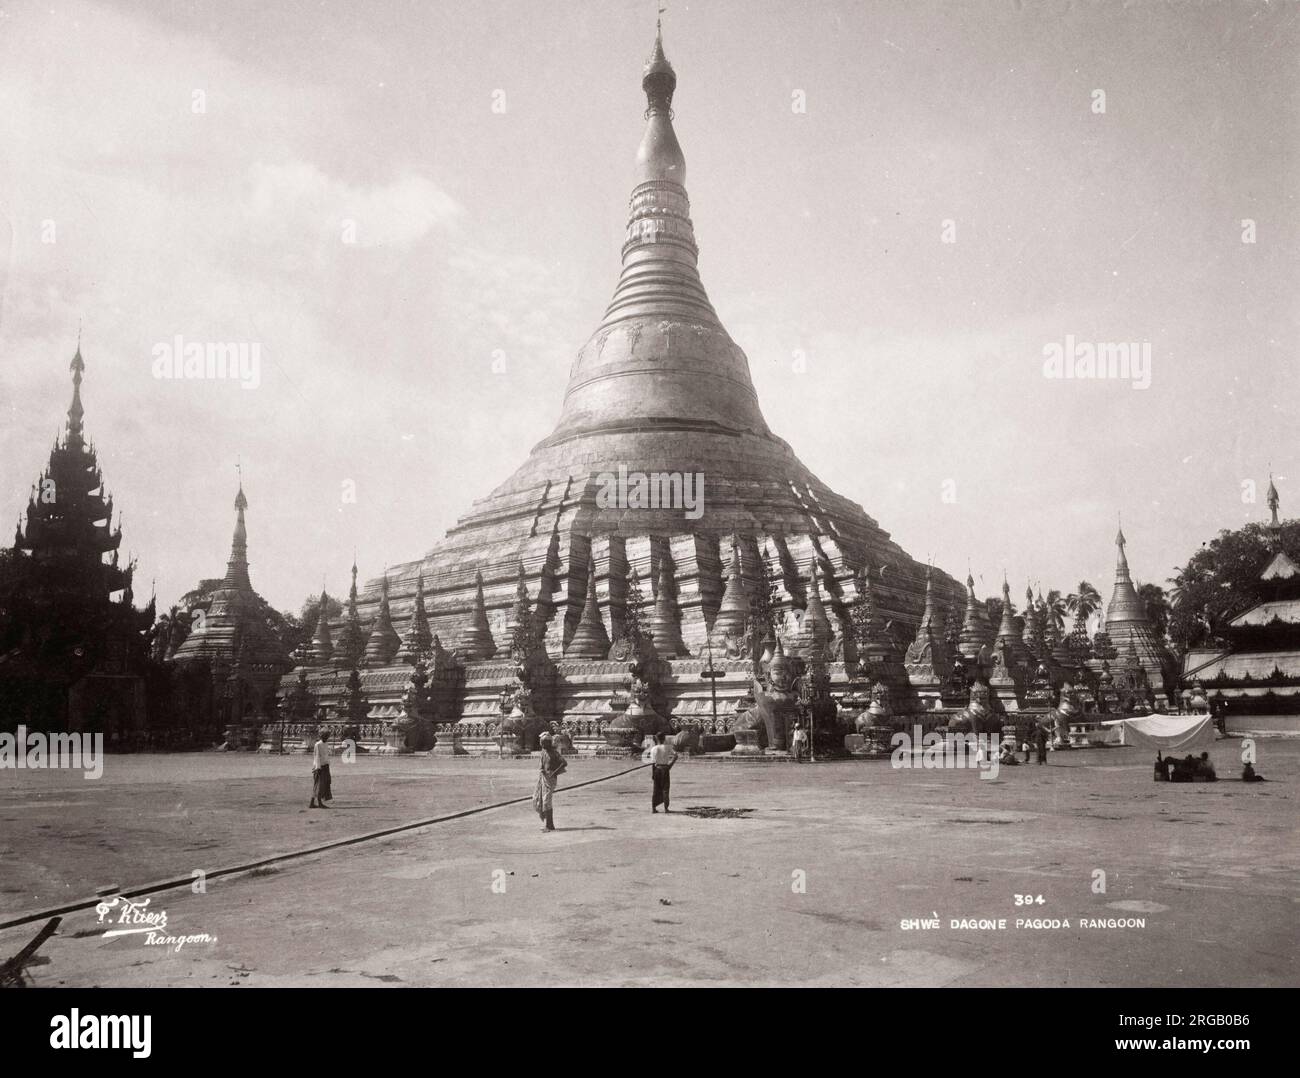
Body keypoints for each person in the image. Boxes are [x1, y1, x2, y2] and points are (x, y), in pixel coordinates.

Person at [532, 731, 566, 832]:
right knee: (539, 799)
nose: (541, 744)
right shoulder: (543, 752)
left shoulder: (554, 752)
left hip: (550, 779)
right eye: (541, 743)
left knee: (547, 801)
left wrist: (554, 772)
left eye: (543, 743)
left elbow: (564, 763)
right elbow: (542, 765)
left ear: (548, 743)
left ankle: (550, 825)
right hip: (543, 777)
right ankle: (549, 824)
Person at [650, 732, 677, 812]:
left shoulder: (654, 749)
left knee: (656, 789)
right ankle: (666, 808)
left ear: (657, 739)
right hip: (665, 769)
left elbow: (653, 763)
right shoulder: (667, 747)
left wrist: (653, 774)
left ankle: (653, 808)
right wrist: (670, 765)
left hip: (657, 769)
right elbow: (676, 755)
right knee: (665, 788)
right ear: (664, 739)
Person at [309, 728, 332, 808]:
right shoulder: (318, 744)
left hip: (325, 766)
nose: (326, 737)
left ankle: (313, 803)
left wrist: (328, 764)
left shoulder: (326, 744)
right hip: (319, 767)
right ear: (321, 736)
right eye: (325, 736)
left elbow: (326, 755)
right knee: (318, 785)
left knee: (323, 784)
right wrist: (318, 768)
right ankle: (318, 803)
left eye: (327, 736)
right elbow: (317, 757)